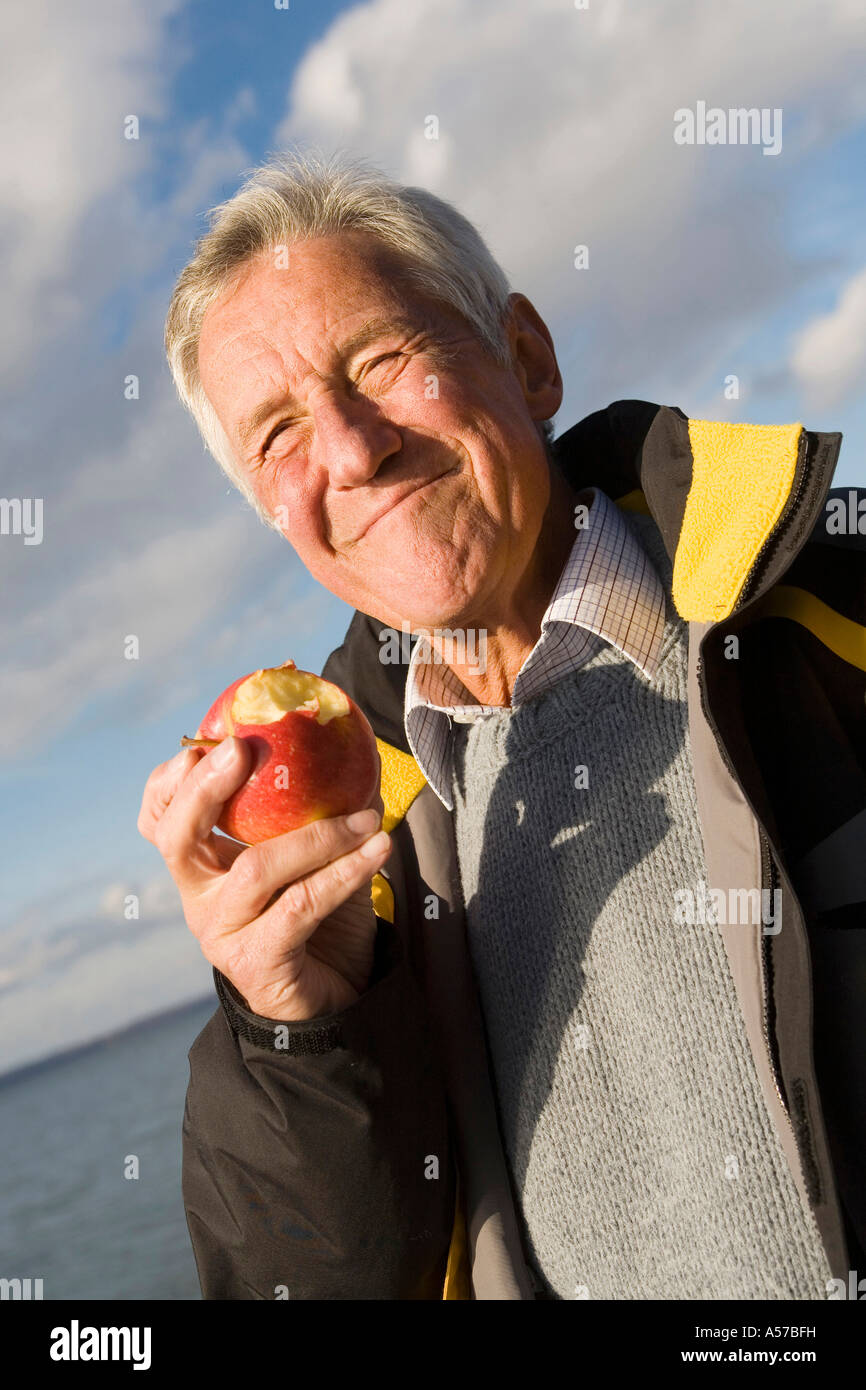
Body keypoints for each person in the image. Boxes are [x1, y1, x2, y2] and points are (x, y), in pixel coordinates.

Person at [138, 150, 866, 1300]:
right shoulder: (356, 854)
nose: (348, 448)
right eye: (276, 434)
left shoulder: (832, 616)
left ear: (525, 361)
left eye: (381, 360)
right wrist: (303, 1037)